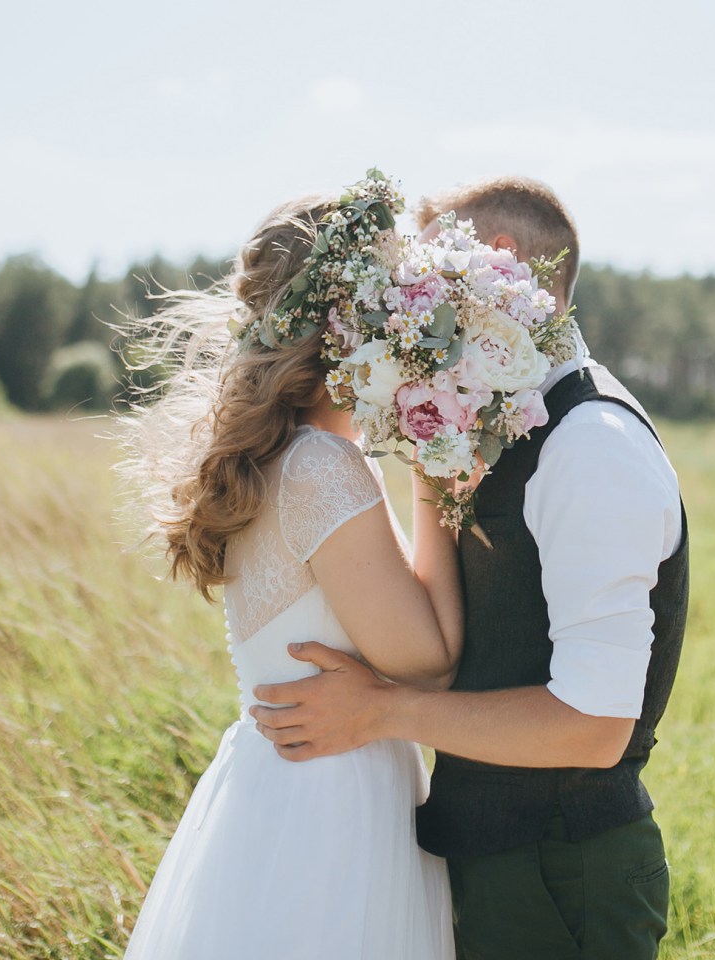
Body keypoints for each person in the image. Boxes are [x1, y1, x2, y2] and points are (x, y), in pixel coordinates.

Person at [250, 176, 690, 960]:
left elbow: (595, 727)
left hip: (563, 879)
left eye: (427, 272)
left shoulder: (590, 445)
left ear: (500, 261)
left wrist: (382, 713)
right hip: (506, 870)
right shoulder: (506, 429)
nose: (406, 307)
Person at [112, 193, 459, 959]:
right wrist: (437, 465)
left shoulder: (284, 459)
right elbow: (428, 662)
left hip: (280, 789)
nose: (416, 328)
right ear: (350, 322)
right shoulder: (320, 465)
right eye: (402, 305)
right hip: (333, 814)